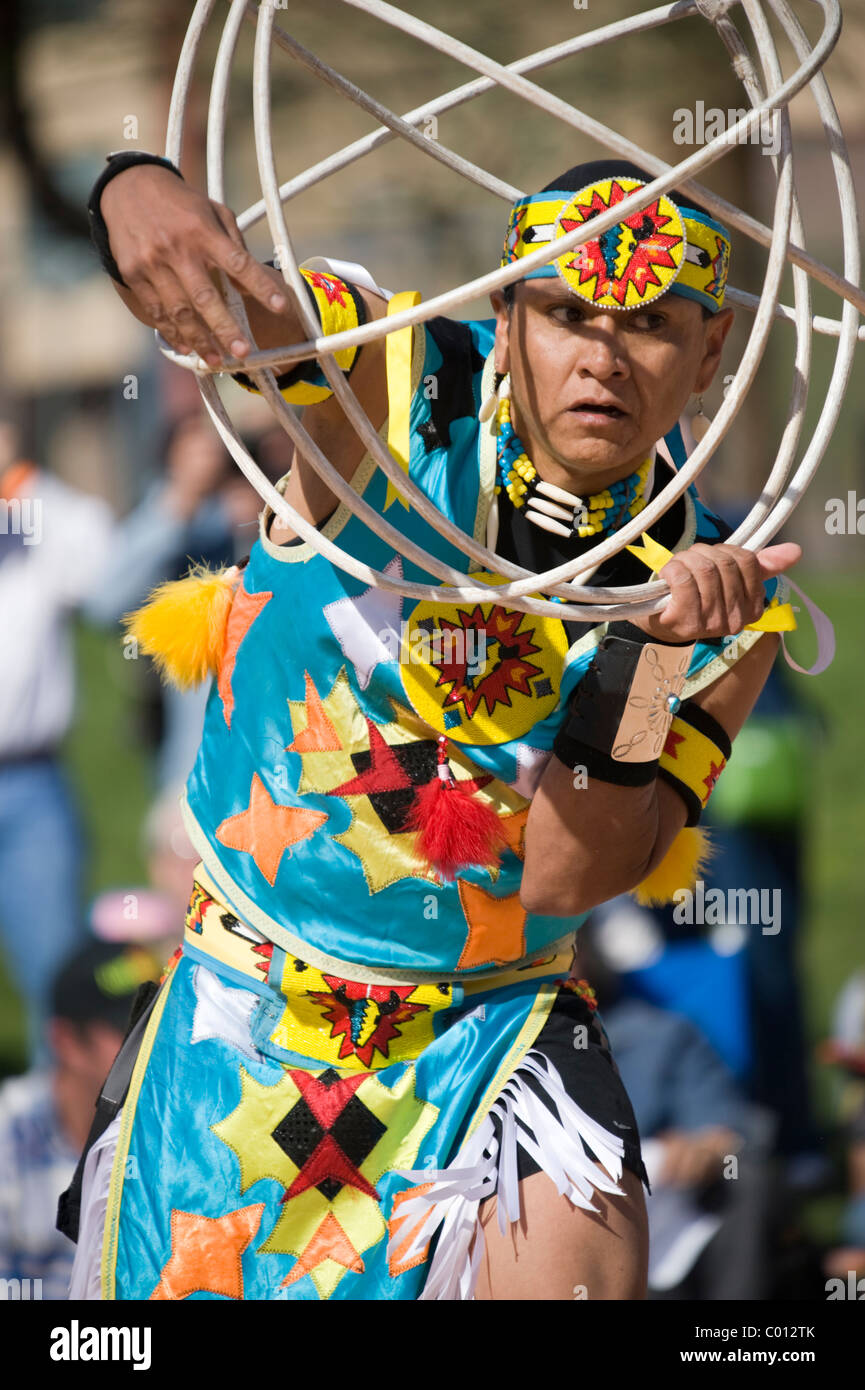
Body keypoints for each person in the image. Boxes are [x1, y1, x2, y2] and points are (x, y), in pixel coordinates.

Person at [61, 150, 802, 1301]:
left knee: (583, 1253)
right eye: (564, 311)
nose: (601, 355)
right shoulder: (396, 378)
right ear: (504, 318)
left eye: (651, 321)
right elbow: (249, 315)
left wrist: (649, 659)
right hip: (250, 1002)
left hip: (490, 1034)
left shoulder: (721, 606)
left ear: (709, 353)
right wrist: (130, 189)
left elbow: (563, 873)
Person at [0, 413, 113, 1059]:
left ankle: (55, 1142)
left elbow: (100, 564)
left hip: (29, 780)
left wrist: (20, 480)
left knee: (59, 984)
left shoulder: (27, 525)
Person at [0, 940, 162, 1298]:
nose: (149, 1045)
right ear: (66, 1042)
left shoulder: (174, 1127)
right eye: (129, 1030)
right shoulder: (9, 1136)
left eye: (155, 1027)